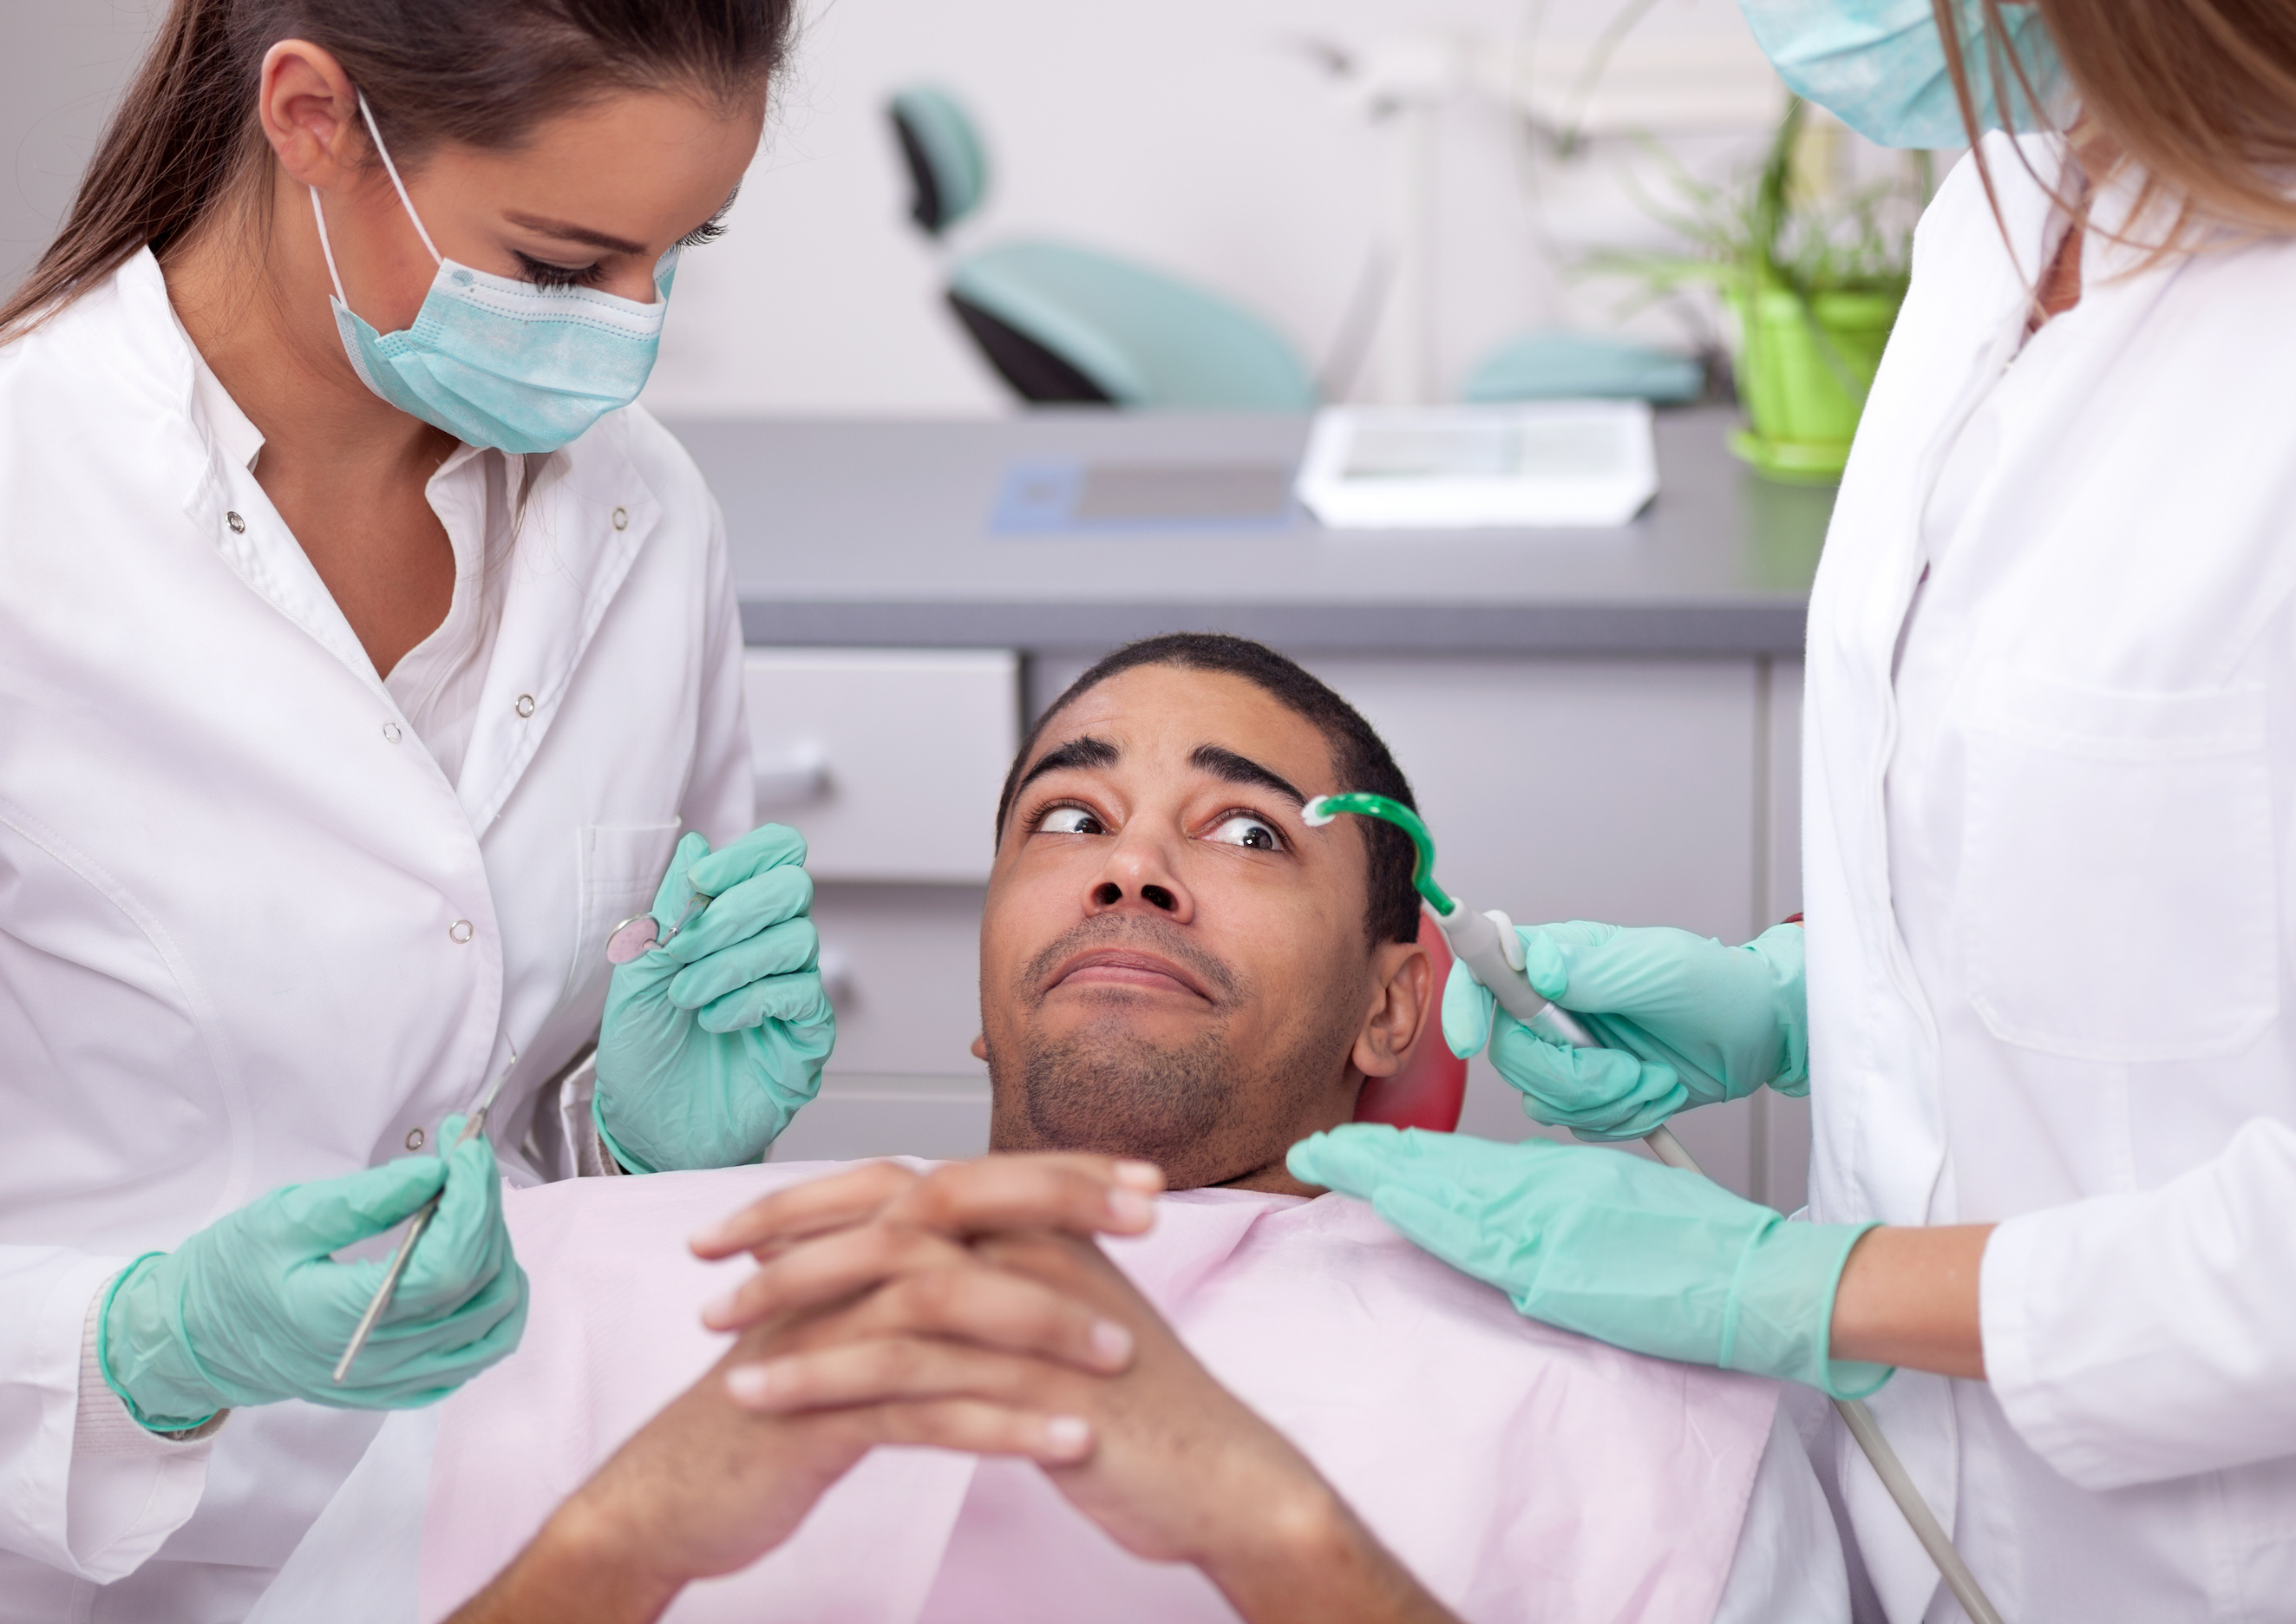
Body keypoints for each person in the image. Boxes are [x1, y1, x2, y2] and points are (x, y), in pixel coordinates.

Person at [1291, 2, 2296, 1620]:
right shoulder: (2006, 204)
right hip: (1882, 1526)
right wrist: (1800, 1000)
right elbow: (2122, 867)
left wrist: (1802, 1286)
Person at [250, 635, 1846, 1624]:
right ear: (983, 986)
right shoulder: (582, 1285)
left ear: (1392, 1005)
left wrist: (1281, 1540)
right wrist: (619, 1544)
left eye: (1243, 831)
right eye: (1068, 818)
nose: (1128, 872)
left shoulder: (1634, 1402)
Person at [0, 3, 837, 1616]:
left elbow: (541, 1109)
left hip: (533, 1534)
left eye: (682, 252)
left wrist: (647, 1144)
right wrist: (152, 1345)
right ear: (312, 117)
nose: (632, 331)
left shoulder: (643, 510)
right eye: (558, 268)